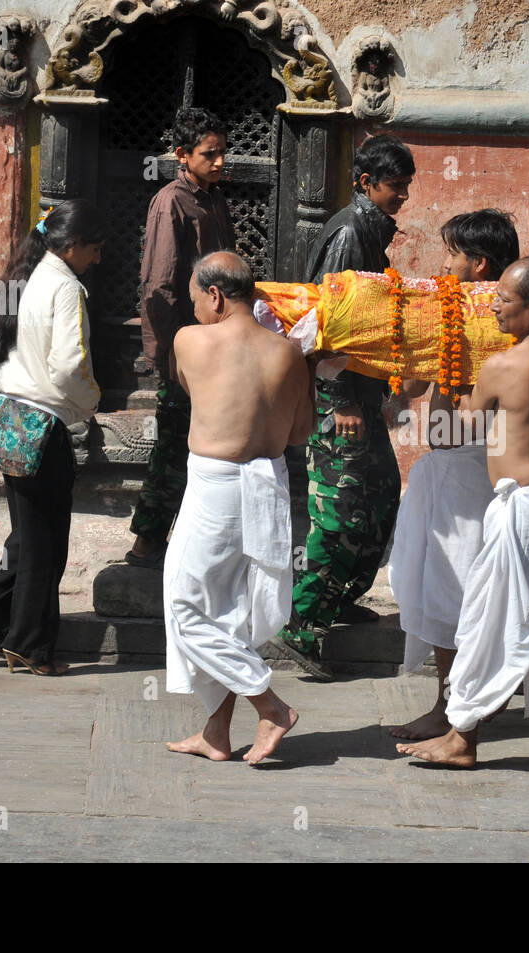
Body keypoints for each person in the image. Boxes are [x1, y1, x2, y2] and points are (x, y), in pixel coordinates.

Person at [395, 257, 529, 772]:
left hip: (526, 510)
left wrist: (441, 362)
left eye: (504, 300)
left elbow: (460, 430)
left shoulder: (504, 366)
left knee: (485, 621)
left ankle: (462, 739)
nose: (492, 305)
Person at [163, 251, 315, 762]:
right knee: (227, 612)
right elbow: (301, 431)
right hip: (266, 482)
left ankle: (271, 706)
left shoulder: (189, 340)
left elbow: (192, 392)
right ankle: (215, 733)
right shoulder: (290, 353)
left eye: (195, 300)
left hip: (216, 486)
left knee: (185, 604)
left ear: (214, 296)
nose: (195, 310)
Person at [276, 134, 415, 677]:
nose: (402, 197)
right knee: (340, 511)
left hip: (363, 391)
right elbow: (328, 327)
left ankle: (340, 595)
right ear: (365, 184)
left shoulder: (371, 230)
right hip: (341, 400)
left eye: (405, 188)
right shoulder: (351, 233)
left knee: (381, 494)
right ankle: (303, 628)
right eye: (394, 188)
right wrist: (342, 401)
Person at [388, 209, 518, 740]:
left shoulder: (503, 322)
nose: (445, 265)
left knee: (458, 594)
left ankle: (455, 711)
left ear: (479, 263)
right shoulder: (446, 313)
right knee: (440, 590)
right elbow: (419, 385)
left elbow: (493, 413)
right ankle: (460, 703)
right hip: (446, 469)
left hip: (475, 471)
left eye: (452, 254)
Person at [0, 200, 106, 675]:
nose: (98, 257)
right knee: (46, 546)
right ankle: (29, 645)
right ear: (71, 245)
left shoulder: (25, 278)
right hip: (43, 424)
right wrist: (91, 402)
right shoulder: (65, 287)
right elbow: (68, 366)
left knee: (26, 538)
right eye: (94, 247)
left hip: (9, 418)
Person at [127, 107, 237, 569]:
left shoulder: (214, 200)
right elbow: (158, 284)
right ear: (181, 155)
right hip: (183, 349)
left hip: (217, 345)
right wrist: (163, 355)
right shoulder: (170, 202)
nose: (219, 162)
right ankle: (147, 542)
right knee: (172, 446)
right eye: (209, 155)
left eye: (222, 153)